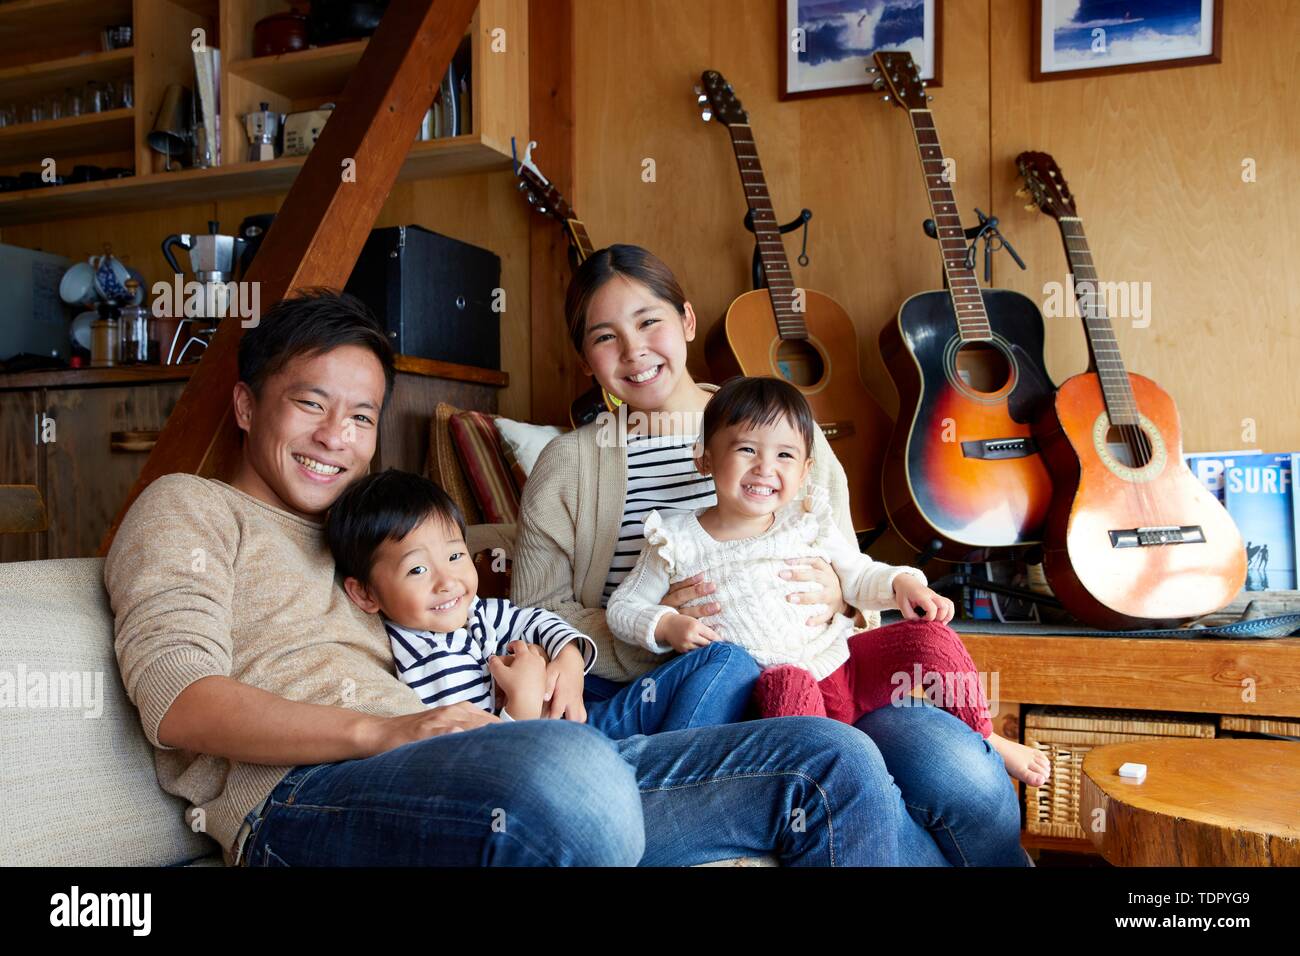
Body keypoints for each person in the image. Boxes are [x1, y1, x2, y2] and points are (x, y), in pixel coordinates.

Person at [104, 287, 943, 867]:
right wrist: (385, 730)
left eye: (360, 415)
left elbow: (495, 619)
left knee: (831, 757)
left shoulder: (373, 527)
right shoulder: (189, 508)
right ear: (248, 406)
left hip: (486, 758)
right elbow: (180, 705)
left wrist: (565, 661)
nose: (336, 436)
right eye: (309, 403)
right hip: (303, 801)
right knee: (576, 778)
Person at [512, 245, 1030, 865]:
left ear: (686, 321)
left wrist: (842, 593)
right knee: (855, 777)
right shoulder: (568, 466)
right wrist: (663, 629)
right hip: (691, 691)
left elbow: (843, 561)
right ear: (586, 356)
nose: (634, 350)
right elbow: (535, 610)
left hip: (821, 666)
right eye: (605, 336)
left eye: (649, 321)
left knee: (964, 779)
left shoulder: (783, 424)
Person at [606, 376, 1052, 786]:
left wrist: (902, 585)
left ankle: (983, 734)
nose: (765, 467)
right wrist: (667, 625)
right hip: (775, 689)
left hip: (848, 665)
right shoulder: (674, 538)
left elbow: (857, 574)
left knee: (930, 640)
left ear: (803, 471)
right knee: (787, 687)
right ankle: (836, 787)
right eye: (746, 450)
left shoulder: (807, 522)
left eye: (784, 455)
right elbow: (623, 607)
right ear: (705, 457)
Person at [326, 468, 758, 734]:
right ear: (365, 593)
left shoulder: (477, 613)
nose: (449, 581)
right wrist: (522, 705)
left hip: (578, 717)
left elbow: (533, 618)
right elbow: (473, 763)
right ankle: (661, 774)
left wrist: (568, 658)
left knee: (727, 660)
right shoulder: (418, 662)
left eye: (456, 555)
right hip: (547, 750)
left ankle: (662, 758)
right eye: (417, 570)